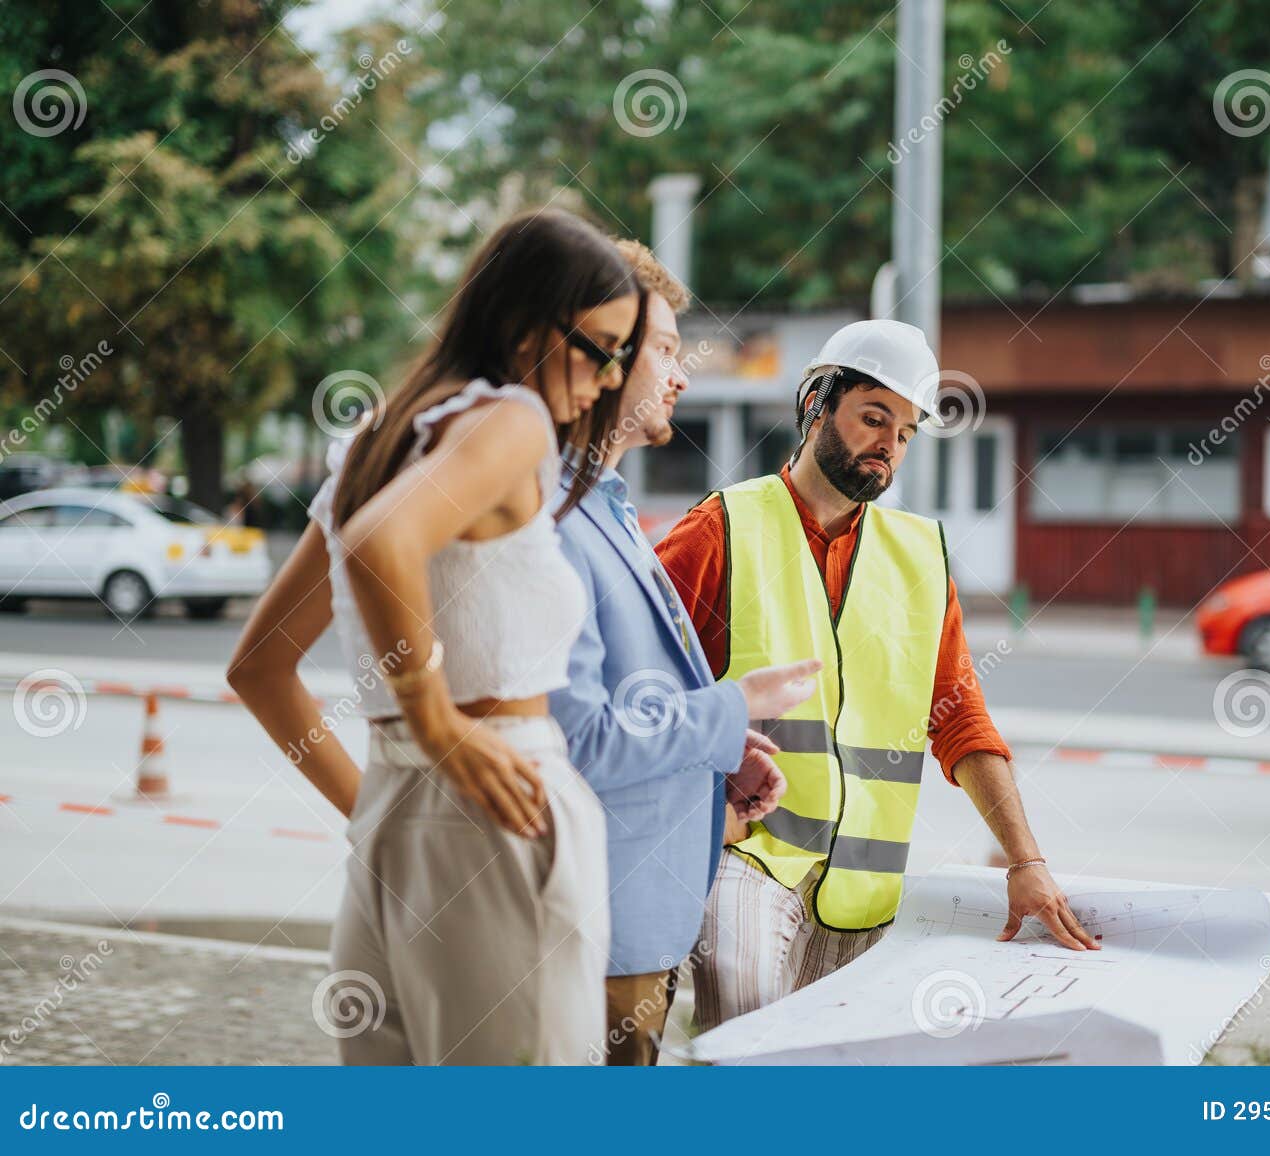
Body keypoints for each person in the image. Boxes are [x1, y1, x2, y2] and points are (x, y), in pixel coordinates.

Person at [227, 208, 642, 1065]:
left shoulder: (374, 442)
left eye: (623, 356)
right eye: (599, 346)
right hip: (496, 794)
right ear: (525, 322)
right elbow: (387, 543)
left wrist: (387, 802)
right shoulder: (513, 419)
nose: (607, 378)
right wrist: (441, 726)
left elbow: (261, 669)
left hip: (394, 817)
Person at [657, 319, 1102, 1032]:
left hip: (864, 892)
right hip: (747, 860)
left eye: (905, 430)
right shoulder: (720, 529)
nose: (888, 444)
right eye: (873, 417)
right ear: (814, 406)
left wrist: (1024, 861)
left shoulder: (919, 556)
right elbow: (646, 698)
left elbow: (959, 720)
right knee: (745, 1021)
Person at [547, 239, 818, 1065]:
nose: (681, 374)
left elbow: (631, 695)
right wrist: (732, 708)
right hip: (599, 929)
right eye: (664, 349)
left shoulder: (607, 505)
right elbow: (577, 742)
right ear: (600, 355)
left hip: (641, 920)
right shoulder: (549, 517)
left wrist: (718, 755)